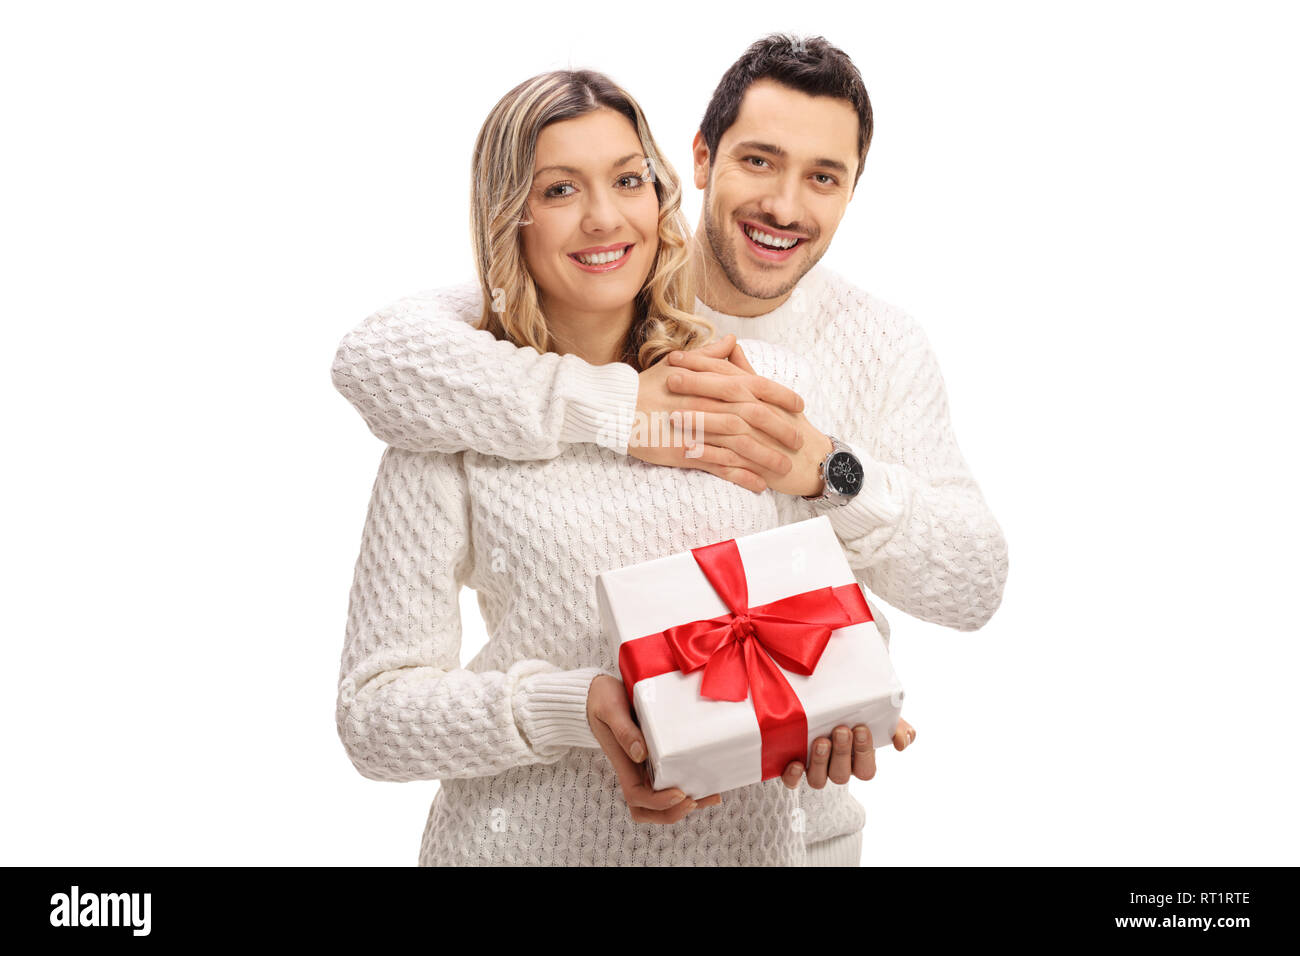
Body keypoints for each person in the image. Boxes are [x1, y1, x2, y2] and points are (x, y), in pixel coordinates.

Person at [333, 35, 1004, 866]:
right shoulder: (464, 407)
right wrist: (622, 411)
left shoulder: (766, 387)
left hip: (772, 843)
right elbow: (375, 712)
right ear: (700, 159)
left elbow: (833, 606)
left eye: (625, 180)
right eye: (559, 188)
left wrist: (840, 699)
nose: (604, 217)